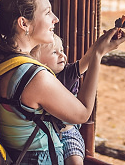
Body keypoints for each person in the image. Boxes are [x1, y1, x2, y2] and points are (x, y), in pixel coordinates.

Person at [0, 0, 125, 164]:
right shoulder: (34, 77)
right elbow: (82, 114)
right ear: (23, 23)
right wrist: (97, 56)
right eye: (48, 12)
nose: (55, 19)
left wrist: (98, 48)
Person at [30, 34, 86, 165]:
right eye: (54, 52)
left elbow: (86, 62)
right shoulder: (36, 78)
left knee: (75, 160)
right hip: (45, 134)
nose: (62, 55)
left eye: (62, 50)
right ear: (38, 60)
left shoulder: (68, 73)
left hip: (67, 131)